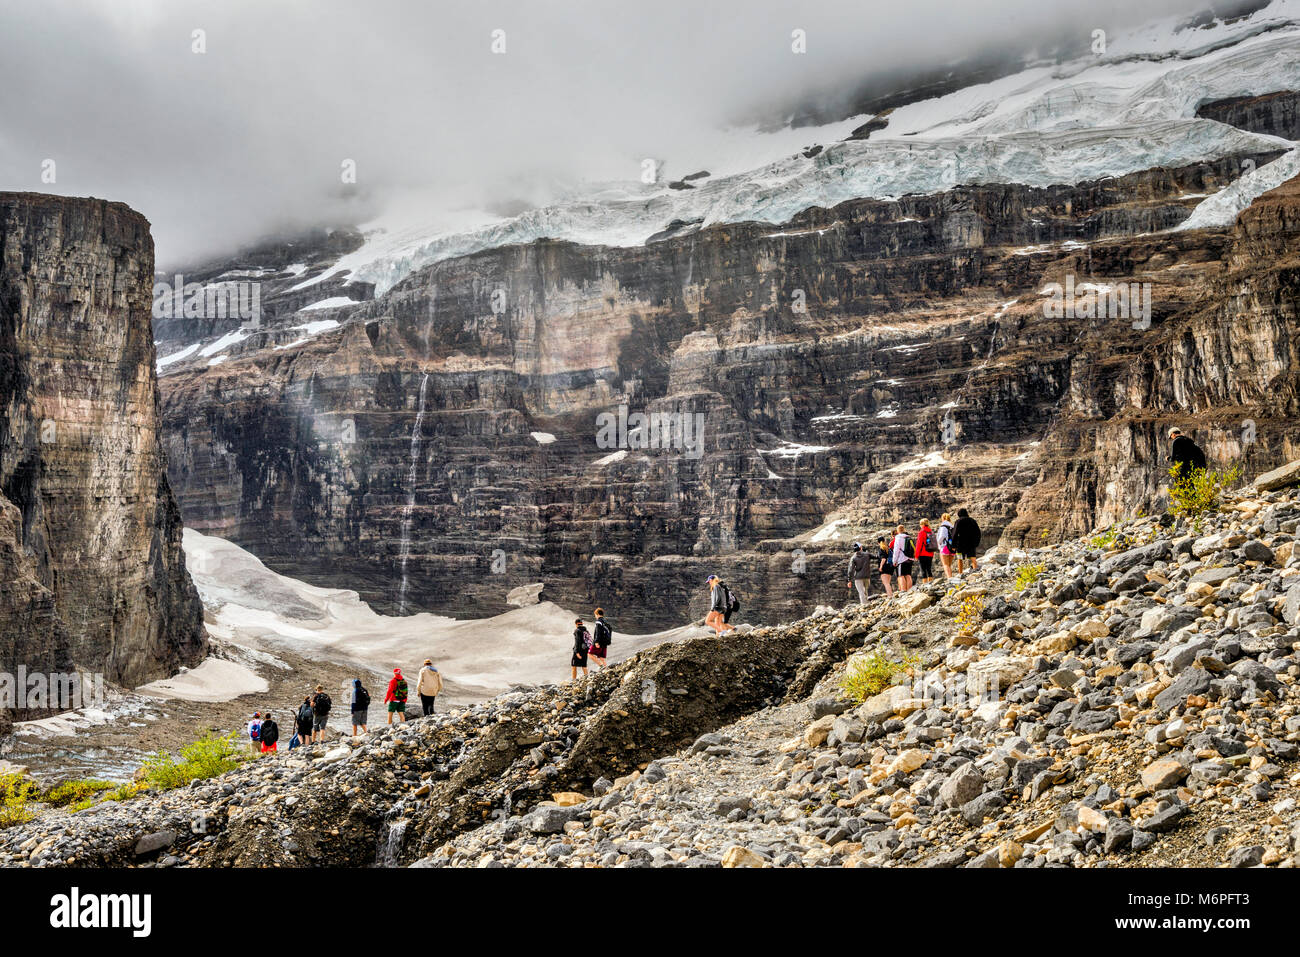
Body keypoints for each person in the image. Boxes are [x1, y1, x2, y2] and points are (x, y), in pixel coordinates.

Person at [953, 508, 982, 574]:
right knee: (972, 557)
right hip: (971, 543)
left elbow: (954, 534)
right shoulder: (972, 521)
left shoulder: (958, 521)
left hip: (960, 543)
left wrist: (953, 545)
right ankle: (975, 571)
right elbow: (978, 532)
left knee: (960, 558)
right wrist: (976, 542)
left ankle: (960, 573)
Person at [891, 524, 914, 592]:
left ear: (898, 531)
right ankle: (909, 590)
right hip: (910, 558)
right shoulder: (908, 537)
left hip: (902, 559)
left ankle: (903, 591)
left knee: (901, 576)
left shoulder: (898, 538)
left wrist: (894, 561)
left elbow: (896, 550)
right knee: (908, 575)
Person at [915, 519, 936, 583]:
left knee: (923, 570)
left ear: (922, 524)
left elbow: (919, 544)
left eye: (920, 524)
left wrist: (916, 555)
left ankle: (925, 585)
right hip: (930, 553)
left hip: (922, 554)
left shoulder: (922, 532)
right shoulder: (931, 531)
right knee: (929, 569)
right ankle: (931, 584)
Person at [937, 513, 956, 579]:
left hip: (945, 547)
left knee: (945, 564)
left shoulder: (943, 527)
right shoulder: (952, 527)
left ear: (943, 518)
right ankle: (950, 577)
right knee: (949, 565)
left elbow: (941, 537)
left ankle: (949, 578)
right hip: (953, 547)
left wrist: (938, 543)